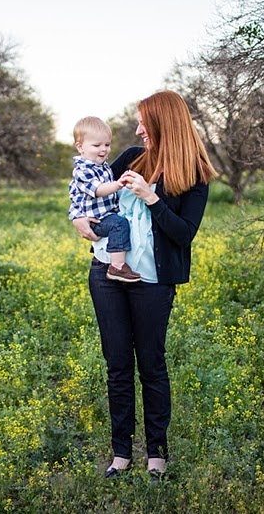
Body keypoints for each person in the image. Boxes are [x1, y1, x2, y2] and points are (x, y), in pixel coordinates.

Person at [72, 90, 218, 480]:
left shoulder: (195, 175)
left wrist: (153, 198)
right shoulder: (130, 158)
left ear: (162, 124)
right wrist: (78, 221)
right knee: (117, 365)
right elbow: (85, 185)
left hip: (153, 281)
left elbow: (184, 234)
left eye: (143, 122)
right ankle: (121, 453)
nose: (137, 129)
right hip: (107, 274)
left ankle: (157, 453)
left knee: (151, 366)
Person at [69, 116, 142, 283]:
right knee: (119, 224)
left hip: (104, 214)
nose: (104, 149)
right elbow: (98, 190)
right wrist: (118, 185)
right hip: (96, 219)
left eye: (107, 145)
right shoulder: (82, 170)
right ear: (80, 147)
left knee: (119, 222)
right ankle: (117, 266)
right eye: (96, 145)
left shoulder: (102, 166)